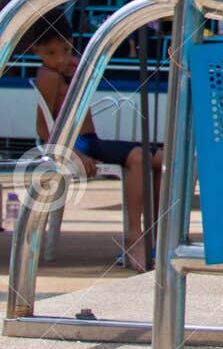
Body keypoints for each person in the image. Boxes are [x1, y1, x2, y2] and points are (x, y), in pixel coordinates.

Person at [30, 21, 163, 271]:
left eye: (66, 50)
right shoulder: (47, 76)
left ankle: (155, 236)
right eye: (51, 53)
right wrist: (72, 153)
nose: (60, 58)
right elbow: (43, 129)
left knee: (161, 160)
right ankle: (134, 236)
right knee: (138, 157)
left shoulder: (67, 70)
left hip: (90, 140)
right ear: (35, 51)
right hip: (75, 144)